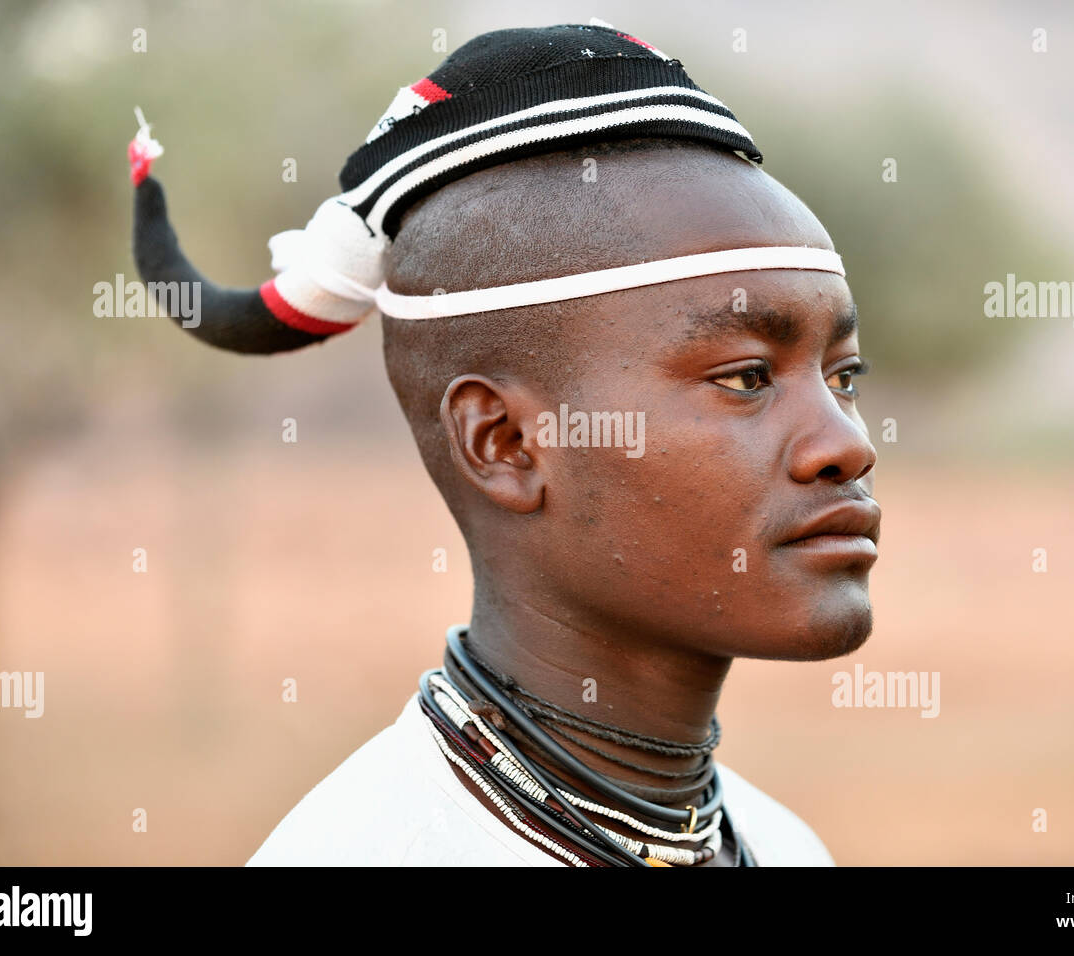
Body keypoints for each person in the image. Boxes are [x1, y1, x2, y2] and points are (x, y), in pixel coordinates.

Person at [129, 21, 879, 867]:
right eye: (747, 377)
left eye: (843, 375)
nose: (845, 444)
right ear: (506, 442)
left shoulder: (785, 849)